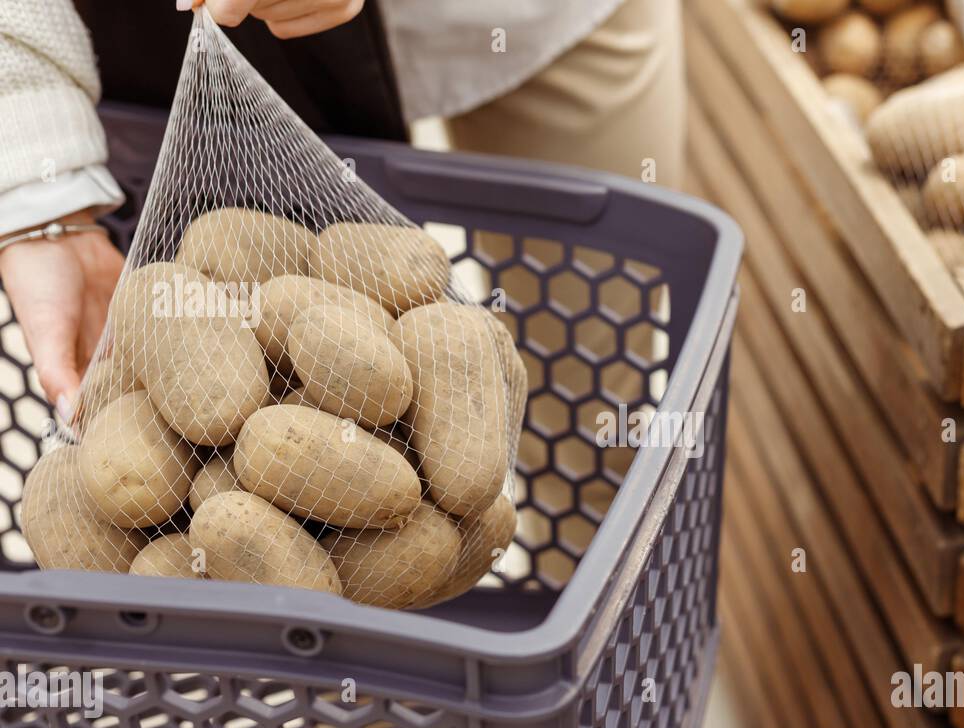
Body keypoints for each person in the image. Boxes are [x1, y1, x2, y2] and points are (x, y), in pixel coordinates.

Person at [0, 0, 683, 419]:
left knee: (598, 398)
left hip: (528, 20)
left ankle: (615, 638)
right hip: (196, 41)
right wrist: (36, 164)